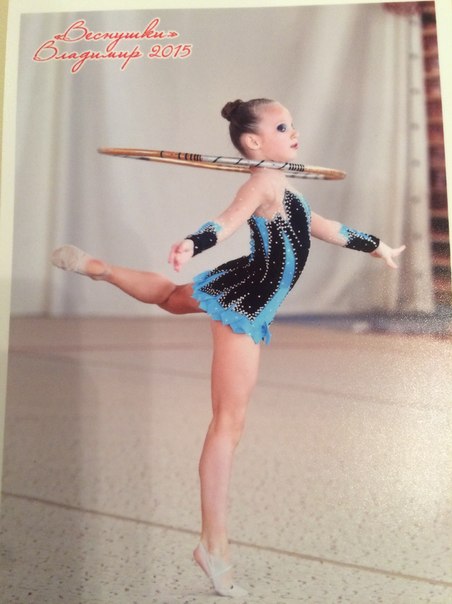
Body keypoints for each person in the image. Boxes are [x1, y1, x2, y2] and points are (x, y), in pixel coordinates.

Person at [51, 98, 405, 598]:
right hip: (246, 304)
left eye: (292, 125)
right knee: (228, 425)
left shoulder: (286, 189)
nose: (294, 132)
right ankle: (212, 546)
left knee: (172, 299)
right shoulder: (261, 184)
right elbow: (226, 221)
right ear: (254, 142)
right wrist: (192, 244)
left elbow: (328, 229)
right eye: (282, 126)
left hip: (239, 282)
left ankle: (102, 269)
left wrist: (377, 246)